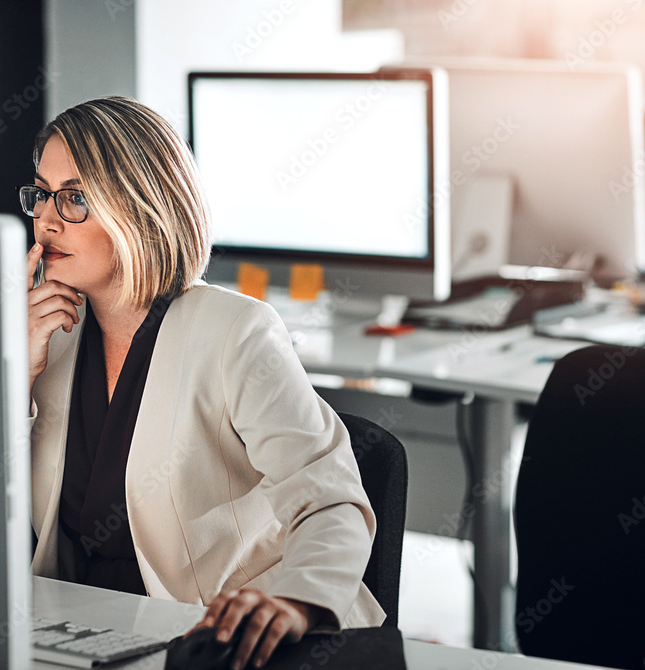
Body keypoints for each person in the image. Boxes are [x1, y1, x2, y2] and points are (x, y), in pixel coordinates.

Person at [23, 96, 384, 668]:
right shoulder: (48, 339)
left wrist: (296, 601)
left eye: (74, 199)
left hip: (224, 643)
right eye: (42, 193)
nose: (46, 220)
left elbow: (332, 498)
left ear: (140, 209)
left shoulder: (234, 331)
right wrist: (14, 379)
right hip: (81, 637)